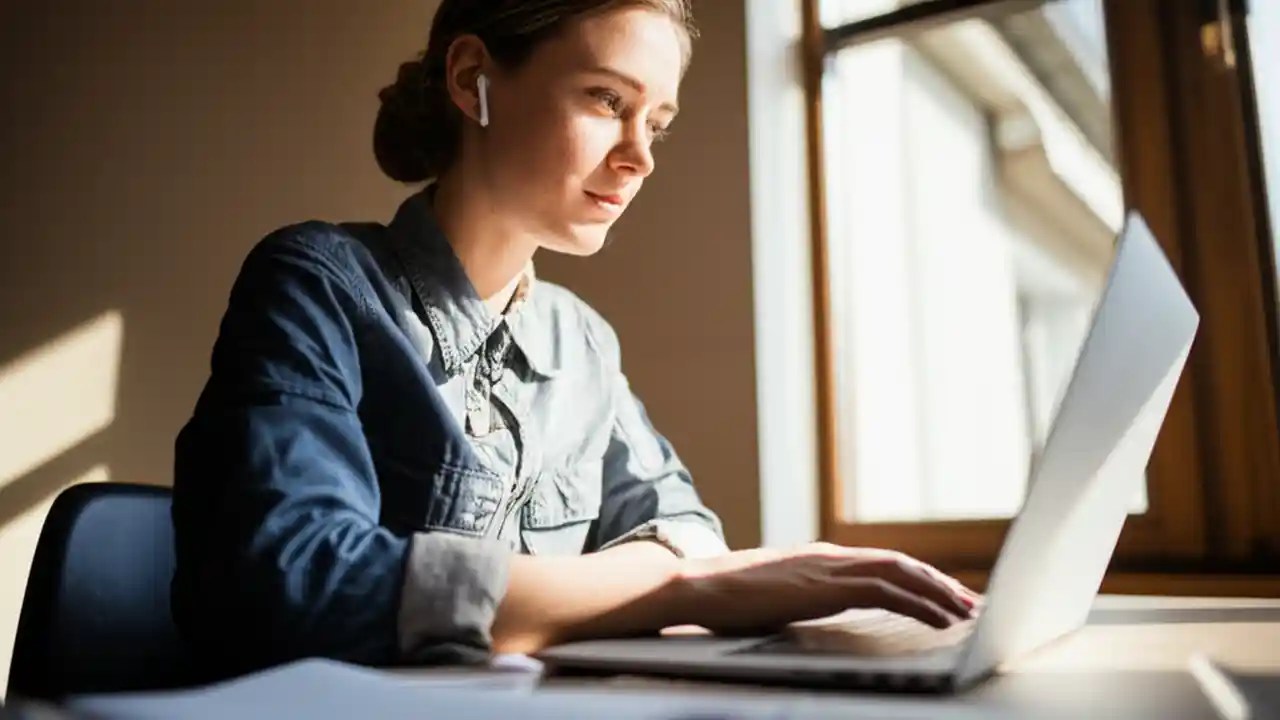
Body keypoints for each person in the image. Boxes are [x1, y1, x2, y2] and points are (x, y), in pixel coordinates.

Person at [171, 0, 979, 677]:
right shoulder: (320, 282)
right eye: (606, 100)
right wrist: (672, 589)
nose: (640, 158)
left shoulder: (580, 341)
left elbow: (688, 534)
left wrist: (667, 578)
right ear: (471, 78)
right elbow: (301, 584)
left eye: (656, 123)